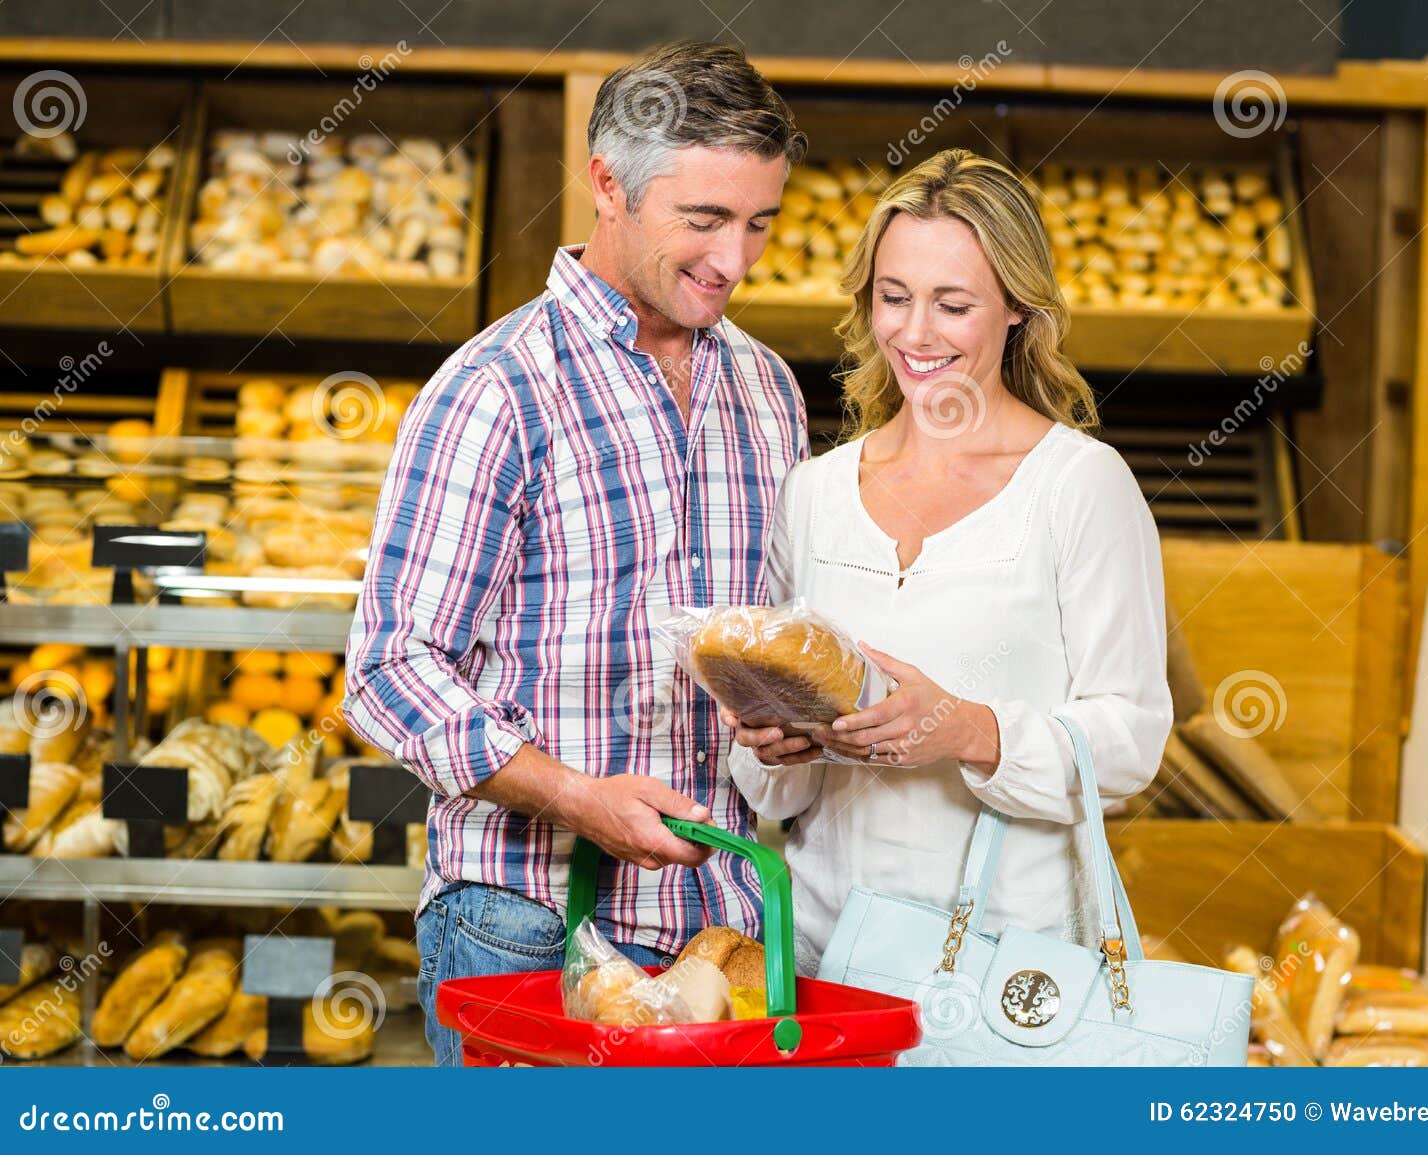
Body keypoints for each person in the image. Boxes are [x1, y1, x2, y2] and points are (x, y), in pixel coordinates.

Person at [343, 41, 808, 1065]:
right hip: (528, 921)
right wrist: (580, 798)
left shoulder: (767, 388)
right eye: (703, 221)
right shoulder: (495, 388)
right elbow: (388, 672)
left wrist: (789, 721)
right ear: (608, 184)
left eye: (758, 223)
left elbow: (764, 632)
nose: (735, 260)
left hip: (721, 922)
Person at [725, 149, 1172, 979]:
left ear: (1018, 307)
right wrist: (771, 745)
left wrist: (970, 729)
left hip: (1010, 973)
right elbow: (771, 788)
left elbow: (1132, 740)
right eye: (893, 299)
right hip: (829, 965)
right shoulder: (815, 492)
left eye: (953, 304)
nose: (915, 333)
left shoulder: (1079, 486)